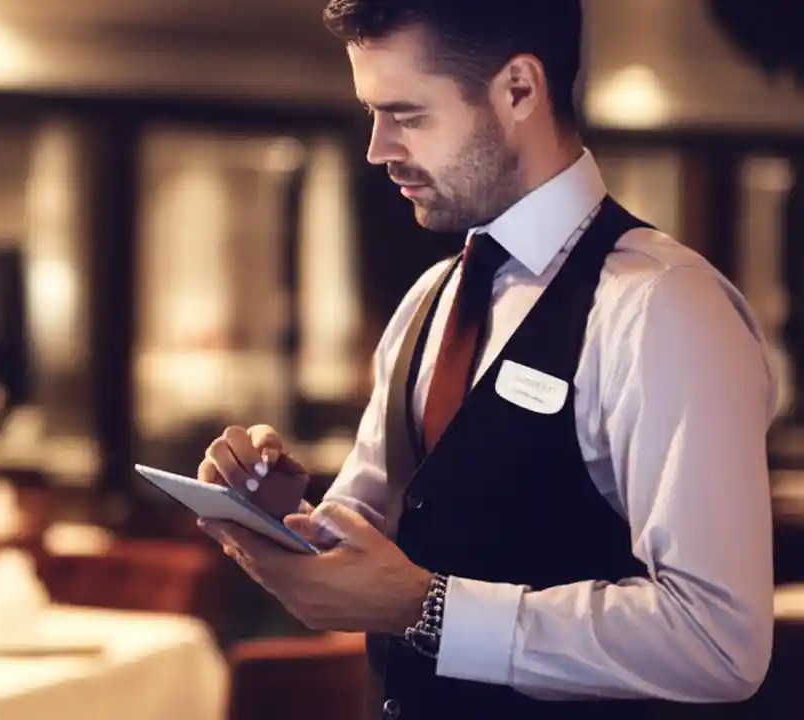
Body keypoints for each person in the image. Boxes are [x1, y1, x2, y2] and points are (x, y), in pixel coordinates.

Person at [196, 1, 776, 717]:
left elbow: (719, 642)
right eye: (373, 114)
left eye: (408, 116)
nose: (377, 149)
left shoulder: (662, 306)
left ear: (519, 90)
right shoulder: (432, 296)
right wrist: (280, 518)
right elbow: (377, 540)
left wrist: (428, 609)